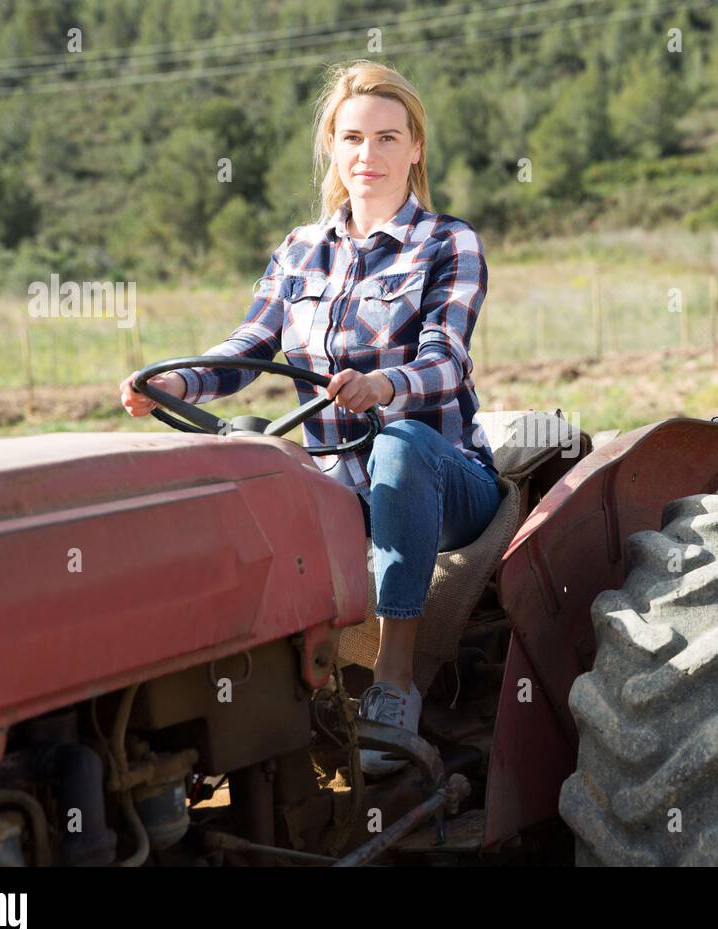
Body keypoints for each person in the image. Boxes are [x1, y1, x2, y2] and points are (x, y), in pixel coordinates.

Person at [118, 60, 501, 776]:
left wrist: (384, 387)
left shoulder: (447, 242)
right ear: (331, 145)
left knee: (401, 448)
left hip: (445, 480)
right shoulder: (298, 252)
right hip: (337, 488)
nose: (370, 155)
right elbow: (245, 352)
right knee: (242, 455)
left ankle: (393, 684)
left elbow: (447, 361)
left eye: (389, 138)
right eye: (353, 137)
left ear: (416, 147)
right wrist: (175, 380)